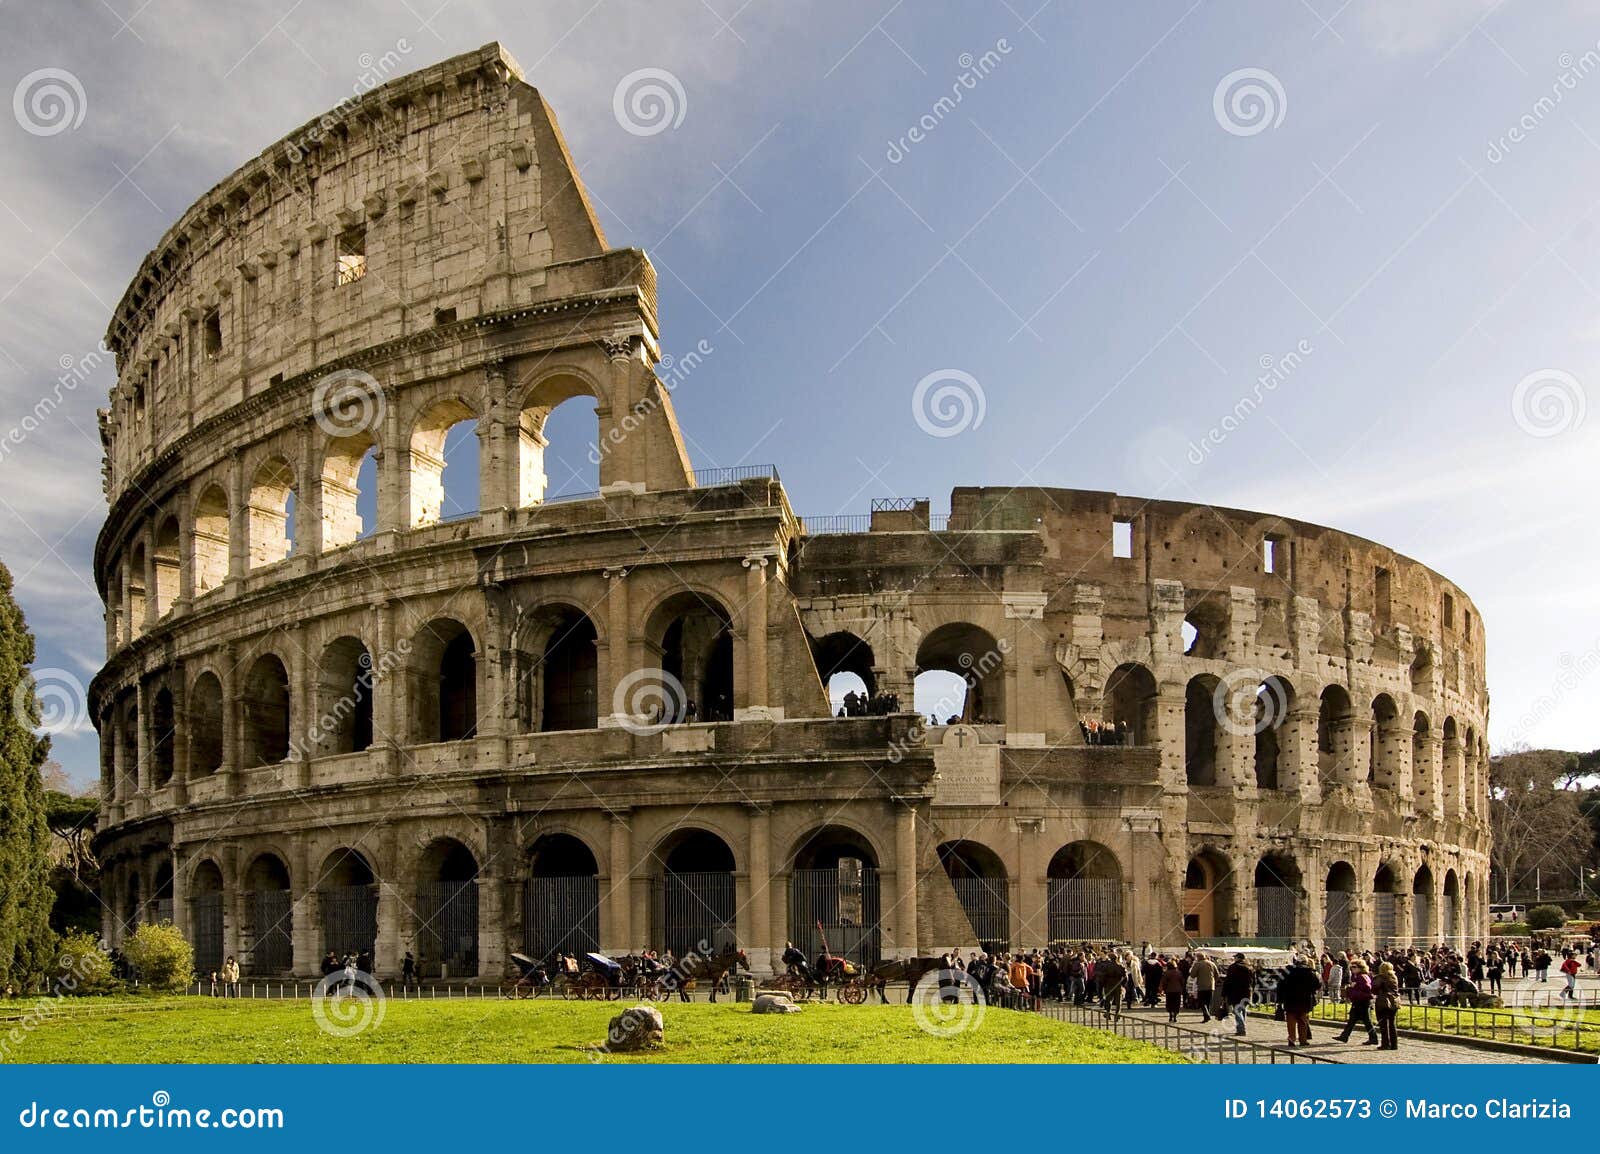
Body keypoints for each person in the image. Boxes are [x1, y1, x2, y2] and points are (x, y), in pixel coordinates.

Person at [1276, 955, 1322, 1047]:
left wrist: (1280, 999)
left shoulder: (1287, 971)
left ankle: (1292, 1039)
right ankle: (1303, 1040)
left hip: (1290, 999)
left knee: (1291, 1021)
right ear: (1306, 962)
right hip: (1304, 999)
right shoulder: (1311, 972)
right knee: (1302, 1020)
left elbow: (1280, 986)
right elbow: (1318, 985)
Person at [1335, 959, 1379, 1044]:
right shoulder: (1358, 976)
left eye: (1354, 967)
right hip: (1359, 1001)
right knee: (1352, 1020)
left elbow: (1367, 990)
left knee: (1367, 1021)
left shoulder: (1362, 977)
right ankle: (1344, 1036)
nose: (1352, 969)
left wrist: (1350, 989)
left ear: (1361, 968)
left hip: (1362, 1002)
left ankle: (1373, 1038)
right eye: (1351, 967)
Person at [1222, 953, 1254, 1037]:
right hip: (1246, 992)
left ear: (1238, 958)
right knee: (1242, 1010)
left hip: (1235, 993)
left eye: (1235, 957)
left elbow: (1227, 981)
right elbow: (1253, 981)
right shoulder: (1249, 967)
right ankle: (1241, 1027)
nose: (1234, 958)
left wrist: (1224, 993)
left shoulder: (1233, 967)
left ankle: (1241, 1029)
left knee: (1237, 1011)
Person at [1373, 960, 1401, 1051]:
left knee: (1383, 1024)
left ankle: (1385, 1044)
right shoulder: (1394, 977)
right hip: (1395, 1001)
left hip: (1383, 1001)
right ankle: (1394, 1044)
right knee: (1392, 1024)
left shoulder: (1380, 977)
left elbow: (1374, 989)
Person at [1190, 952, 1218, 1022]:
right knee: (1208, 1002)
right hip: (1211, 986)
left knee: (1202, 1002)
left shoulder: (1197, 964)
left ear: (1198, 958)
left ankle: (1207, 1014)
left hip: (1201, 986)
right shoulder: (1212, 963)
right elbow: (1217, 974)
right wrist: (1214, 980)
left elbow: (1192, 975)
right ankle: (1206, 1017)